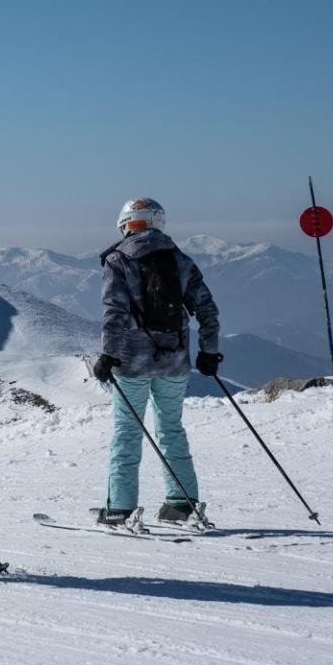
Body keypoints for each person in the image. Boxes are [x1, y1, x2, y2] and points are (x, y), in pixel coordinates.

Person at [93, 198, 221, 529]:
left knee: (127, 433)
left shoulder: (118, 260)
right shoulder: (180, 259)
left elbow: (114, 313)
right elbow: (206, 308)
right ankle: (181, 504)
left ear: (126, 224)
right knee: (171, 429)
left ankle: (120, 509)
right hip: (174, 361)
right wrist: (209, 352)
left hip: (131, 363)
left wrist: (107, 355)